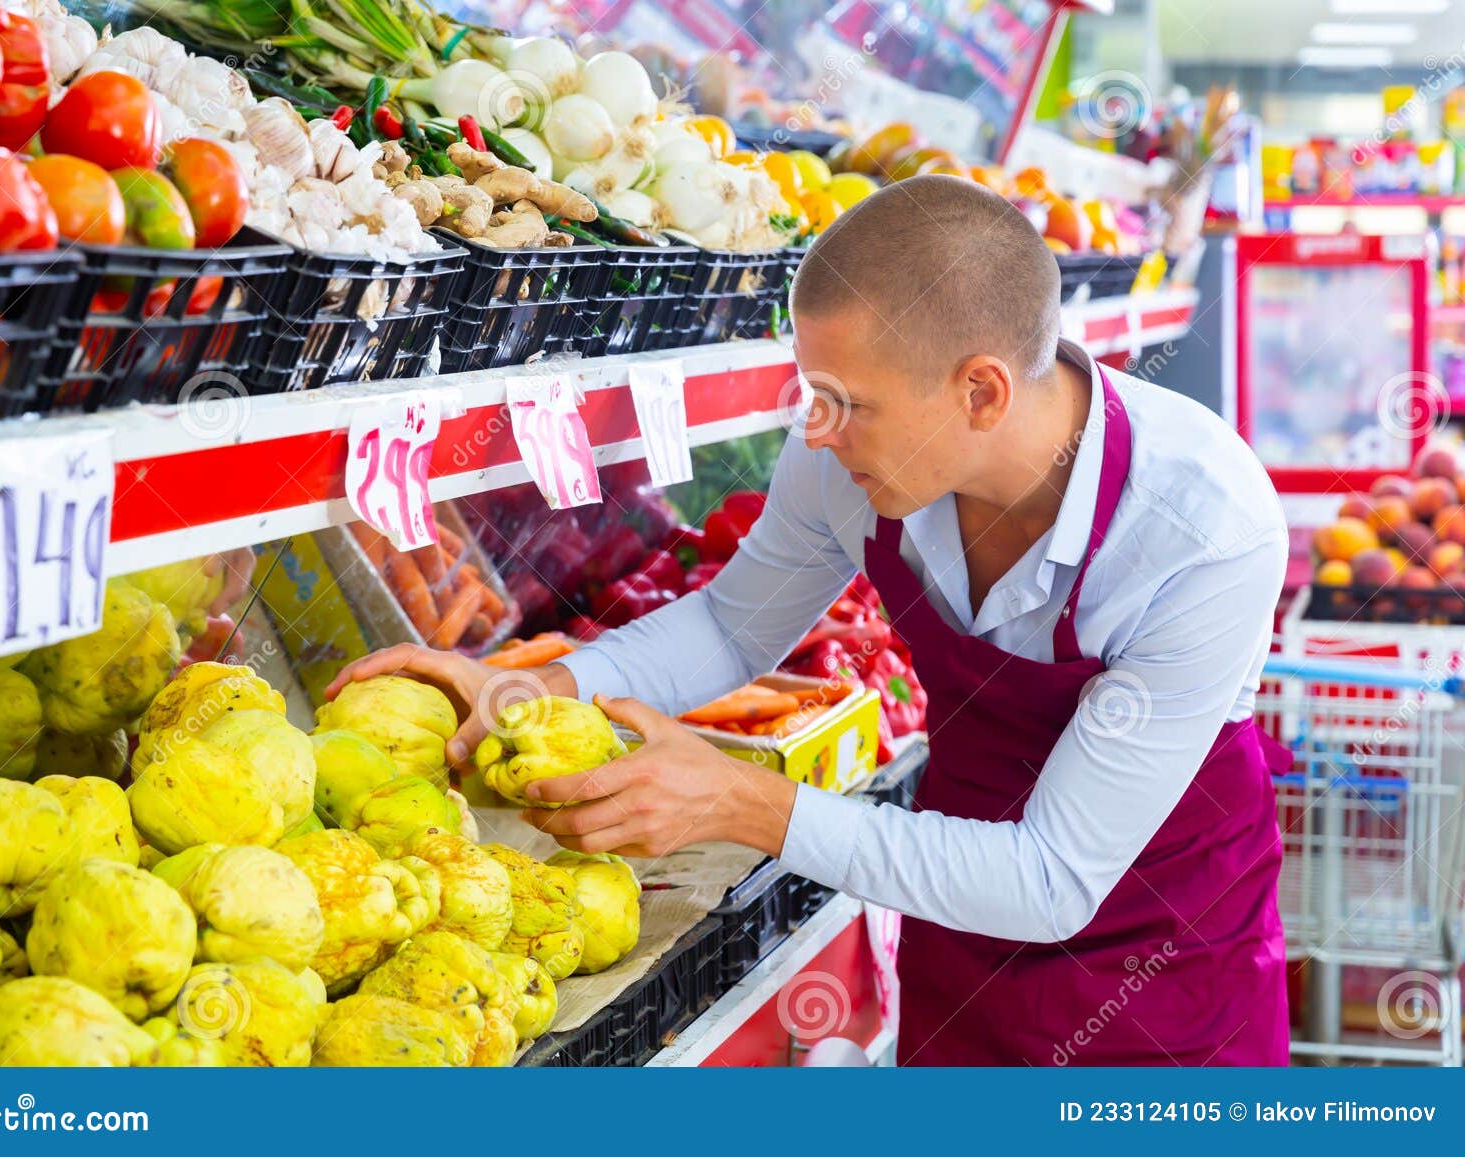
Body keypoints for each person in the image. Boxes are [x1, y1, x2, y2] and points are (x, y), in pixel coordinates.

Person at [327, 175, 1290, 1066]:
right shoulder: (846, 460)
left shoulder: (1201, 531)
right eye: (810, 394)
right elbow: (732, 630)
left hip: (1164, 965)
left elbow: (1049, 880)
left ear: (982, 390)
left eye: (847, 404)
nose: (815, 433)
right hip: (953, 915)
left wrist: (743, 801)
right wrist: (534, 690)